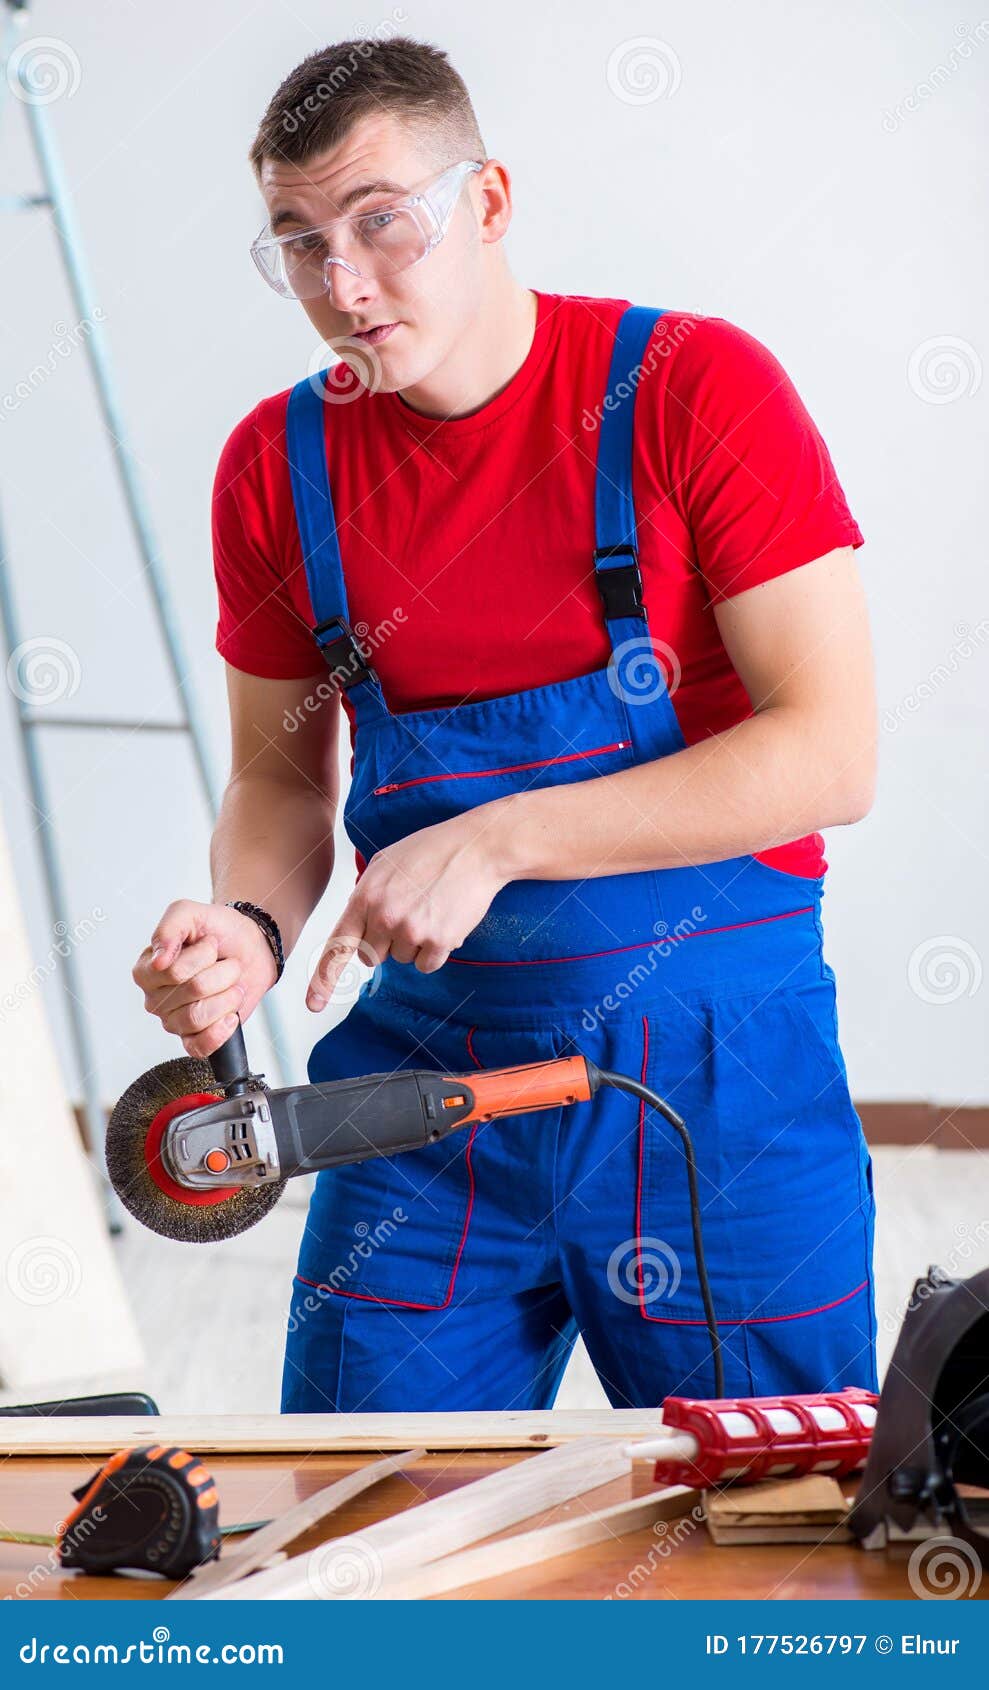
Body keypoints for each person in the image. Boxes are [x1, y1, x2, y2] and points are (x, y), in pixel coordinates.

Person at [132, 37, 879, 1414]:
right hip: (424, 1093)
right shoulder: (275, 470)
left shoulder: (689, 392)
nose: (342, 286)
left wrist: (500, 839)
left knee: (774, 1537)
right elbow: (280, 780)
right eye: (297, 243)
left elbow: (830, 750)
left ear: (486, 201)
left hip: (718, 1083)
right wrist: (247, 924)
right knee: (364, 1529)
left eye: (382, 223)